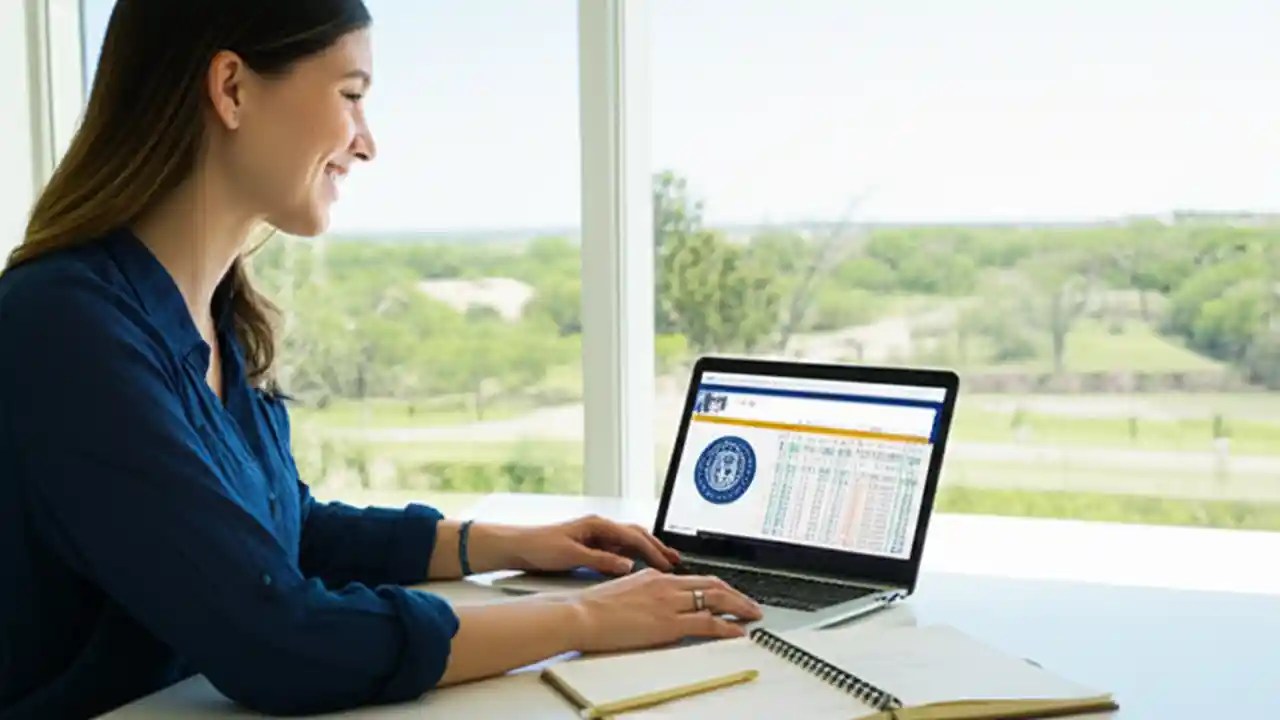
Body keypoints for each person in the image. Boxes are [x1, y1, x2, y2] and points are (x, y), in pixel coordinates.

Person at [0, 1, 761, 717]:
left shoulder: (209, 313)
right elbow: (271, 638)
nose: (367, 141)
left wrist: (501, 544)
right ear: (232, 89)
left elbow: (279, 532)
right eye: (350, 94)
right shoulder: (63, 328)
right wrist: (582, 618)